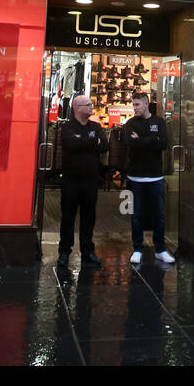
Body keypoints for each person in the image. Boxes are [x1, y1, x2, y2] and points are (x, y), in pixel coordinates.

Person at [58, 94, 108, 268]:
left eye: (90, 104)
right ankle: (64, 251)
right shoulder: (67, 127)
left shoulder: (95, 125)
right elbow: (71, 145)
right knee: (68, 217)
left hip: (90, 180)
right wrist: (93, 141)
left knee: (89, 217)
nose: (91, 107)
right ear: (77, 108)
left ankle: (88, 251)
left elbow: (104, 146)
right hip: (71, 180)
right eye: (87, 105)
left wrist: (85, 142)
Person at [124, 91, 174, 265]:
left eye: (137, 104)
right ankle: (137, 248)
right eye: (133, 104)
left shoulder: (159, 122)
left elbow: (163, 143)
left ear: (146, 103)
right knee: (135, 214)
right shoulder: (130, 124)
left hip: (155, 177)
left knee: (159, 215)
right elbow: (131, 144)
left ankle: (160, 249)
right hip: (135, 178)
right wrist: (152, 140)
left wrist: (142, 140)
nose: (134, 108)